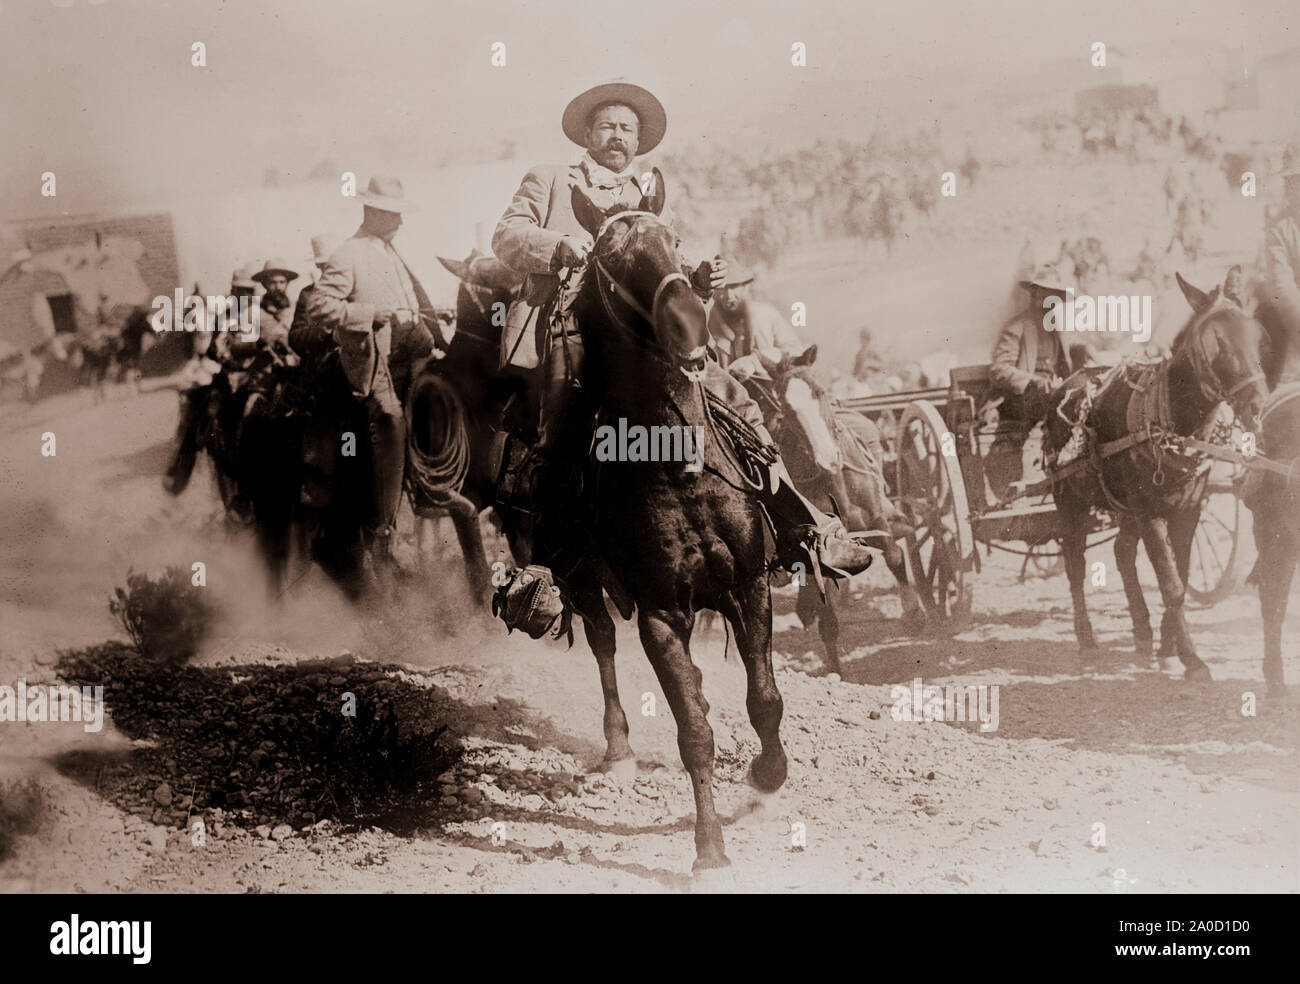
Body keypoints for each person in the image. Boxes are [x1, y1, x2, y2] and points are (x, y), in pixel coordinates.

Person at [491, 79, 872, 578]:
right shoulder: (550, 179)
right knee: (558, 429)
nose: (617, 136)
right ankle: (549, 573)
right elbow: (506, 236)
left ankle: (804, 527)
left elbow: (672, 262)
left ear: (638, 140)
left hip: (649, 341)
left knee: (735, 396)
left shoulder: (653, 194)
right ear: (587, 134)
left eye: (627, 129)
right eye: (607, 126)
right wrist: (557, 245)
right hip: (570, 333)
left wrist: (700, 279)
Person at [306, 174, 437, 582]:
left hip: (408, 352)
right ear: (374, 213)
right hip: (374, 365)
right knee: (391, 421)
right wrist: (367, 314)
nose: (401, 221)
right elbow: (320, 307)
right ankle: (382, 527)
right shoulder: (349, 254)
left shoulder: (390, 251)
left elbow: (409, 301)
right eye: (395, 214)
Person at [706, 263, 805, 370]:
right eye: (722, 288)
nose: (728, 295)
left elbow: (796, 350)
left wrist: (756, 359)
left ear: (745, 287)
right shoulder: (712, 321)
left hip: (771, 380)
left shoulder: (765, 314)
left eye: (734, 287)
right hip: (731, 383)